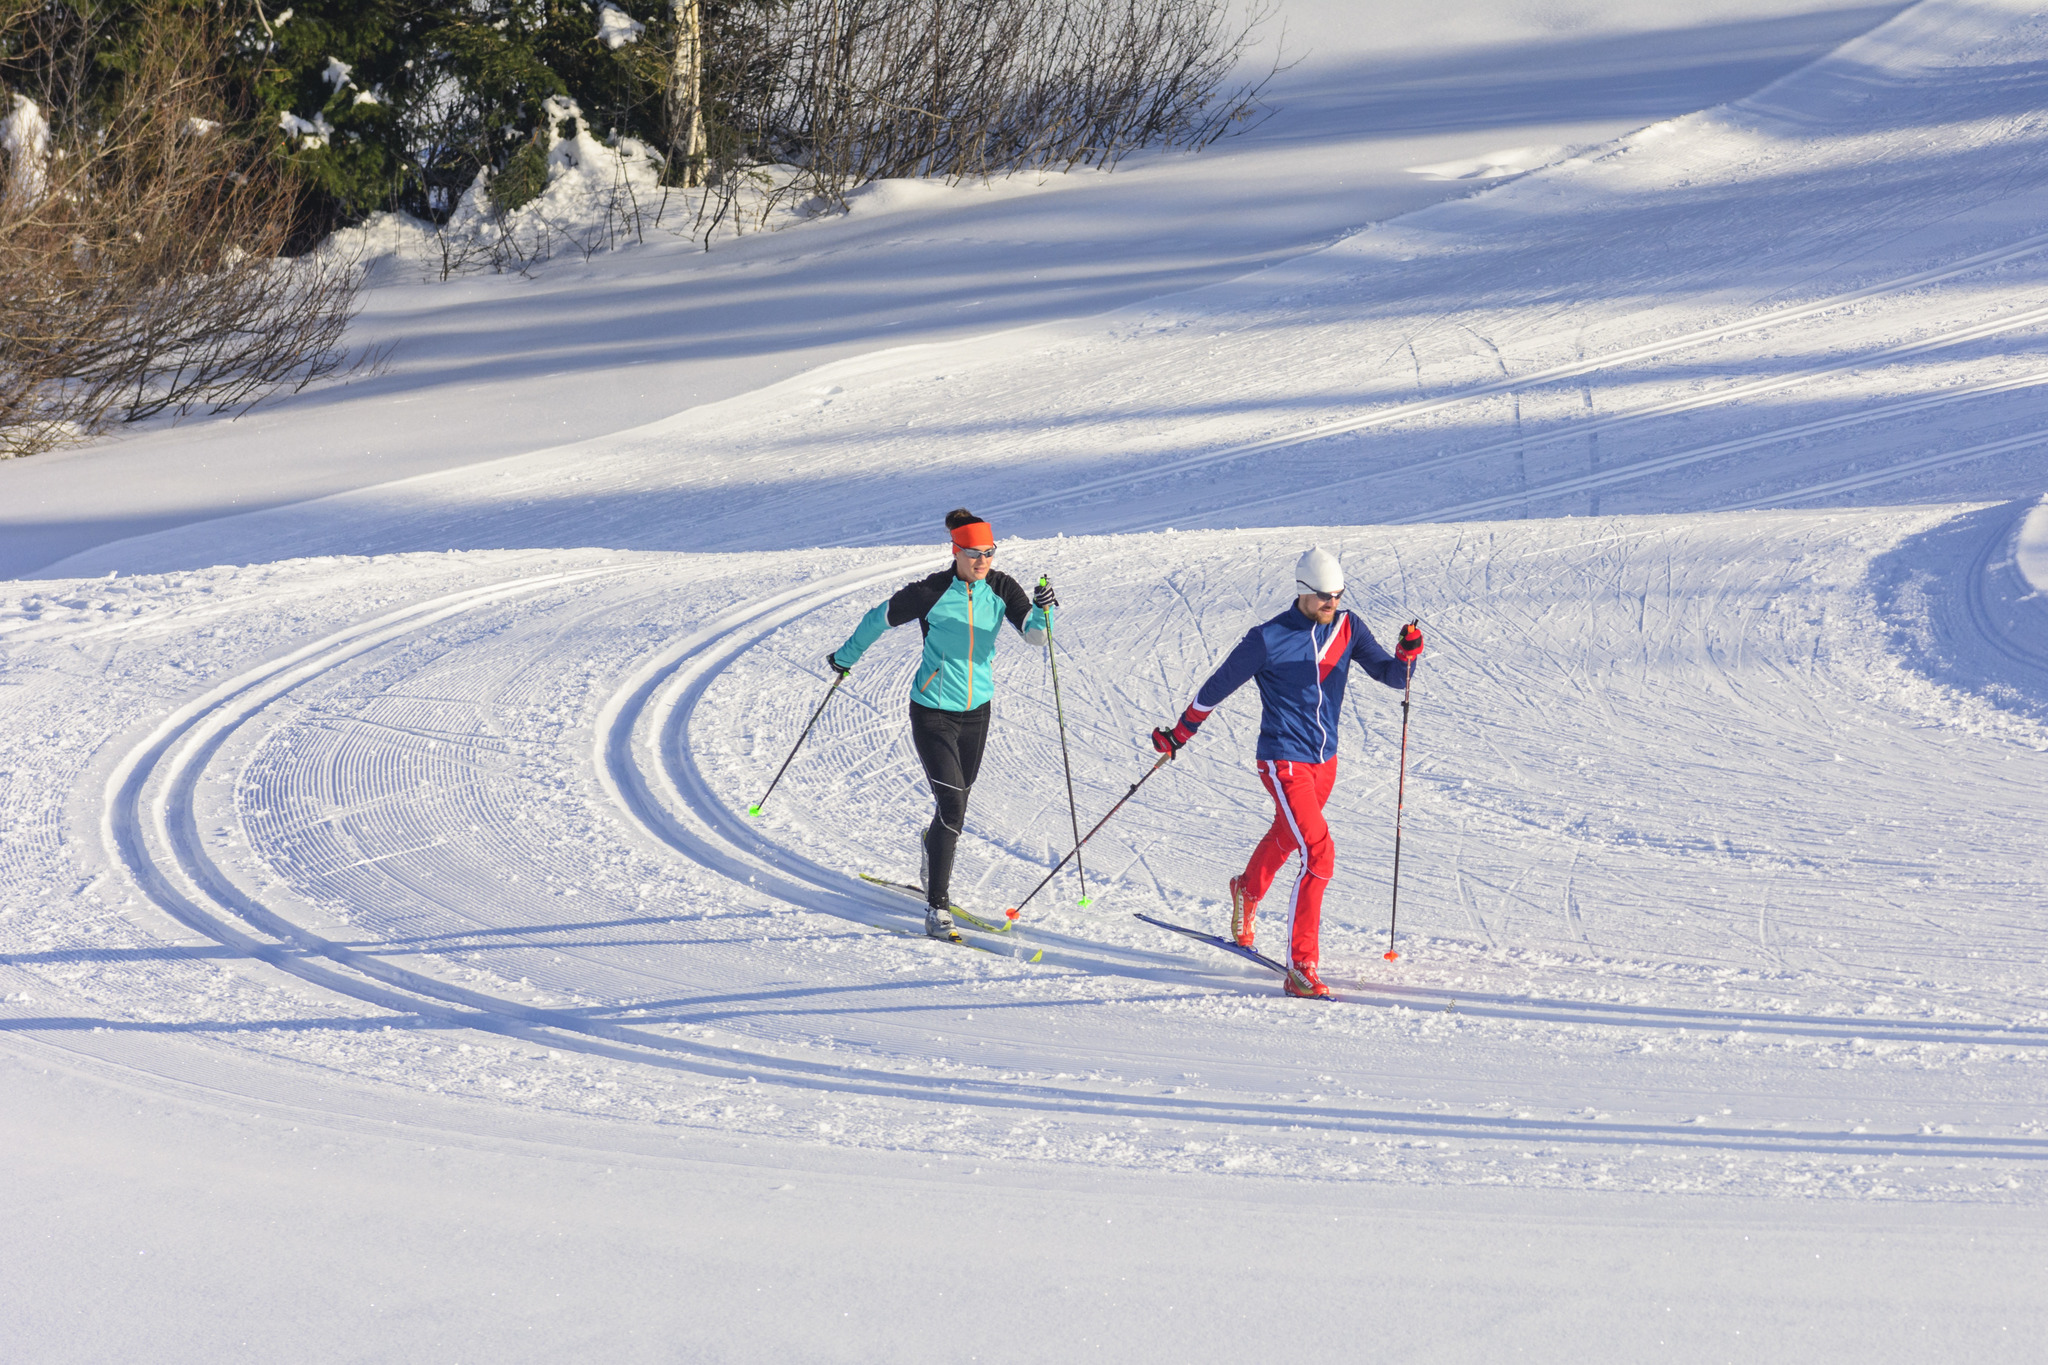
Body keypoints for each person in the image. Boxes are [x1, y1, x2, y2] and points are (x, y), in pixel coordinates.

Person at [1149, 546, 1423, 998]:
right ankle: (1301, 966)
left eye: (1337, 595)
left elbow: (1392, 676)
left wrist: (1406, 654)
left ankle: (1247, 890)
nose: (1331, 604)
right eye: (1323, 597)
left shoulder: (1349, 627)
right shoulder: (1267, 637)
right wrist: (1179, 734)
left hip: (1325, 761)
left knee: (1290, 832)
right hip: (1283, 760)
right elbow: (1216, 688)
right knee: (1319, 853)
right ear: (1302, 592)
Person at [829, 509, 1056, 941]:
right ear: (956, 551)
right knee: (953, 807)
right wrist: (845, 658)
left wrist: (1043, 612)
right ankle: (937, 907)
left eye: (989, 552)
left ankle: (931, 847)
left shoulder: (1002, 587)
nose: (982, 561)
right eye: (974, 554)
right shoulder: (930, 591)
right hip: (932, 710)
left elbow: (1035, 636)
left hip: (977, 713)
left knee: (955, 805)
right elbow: (878, 617)